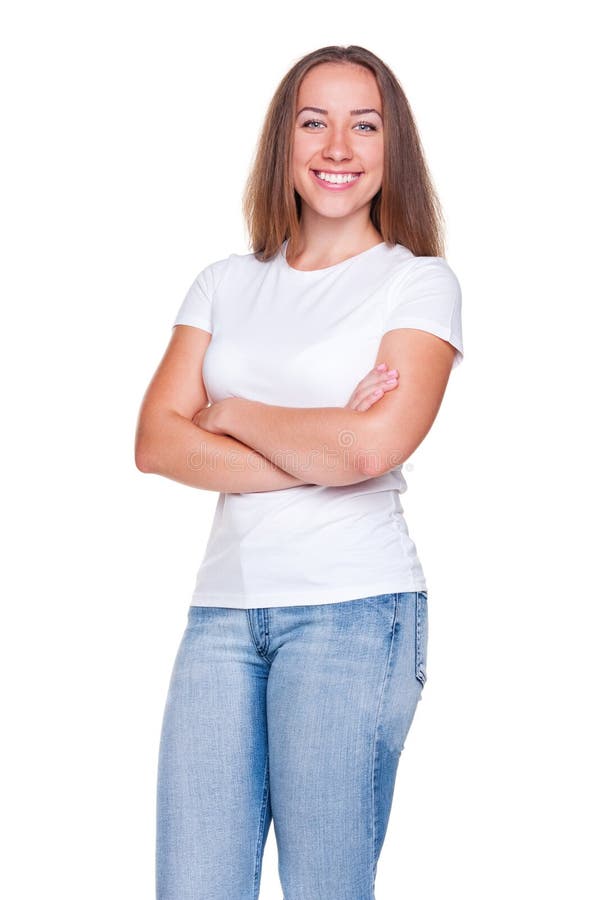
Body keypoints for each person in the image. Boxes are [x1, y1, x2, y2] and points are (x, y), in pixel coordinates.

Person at [135, 44, 464, 900]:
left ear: (395, 151)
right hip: (222, 620)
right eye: (314, 122)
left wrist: (234, 411)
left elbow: (370, 449)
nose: (338, 146)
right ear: (284, 142)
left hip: (353, 615)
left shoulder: (417, 285)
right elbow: (156, 443)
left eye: (365, 124)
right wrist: (319, 443)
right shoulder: (224, 284)